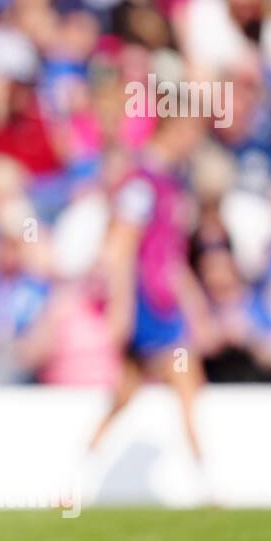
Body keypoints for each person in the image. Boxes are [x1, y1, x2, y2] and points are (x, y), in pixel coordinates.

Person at [87, 112, 210, 477]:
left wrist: (195, 306)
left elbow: (170, 255)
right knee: (186, 381)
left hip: (162, 302)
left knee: (126, 392)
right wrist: (121, 308)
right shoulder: (142, 185)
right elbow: (122, 246)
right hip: (147, 304)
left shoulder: (169, 183)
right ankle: (205, 480)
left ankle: (81, 469)